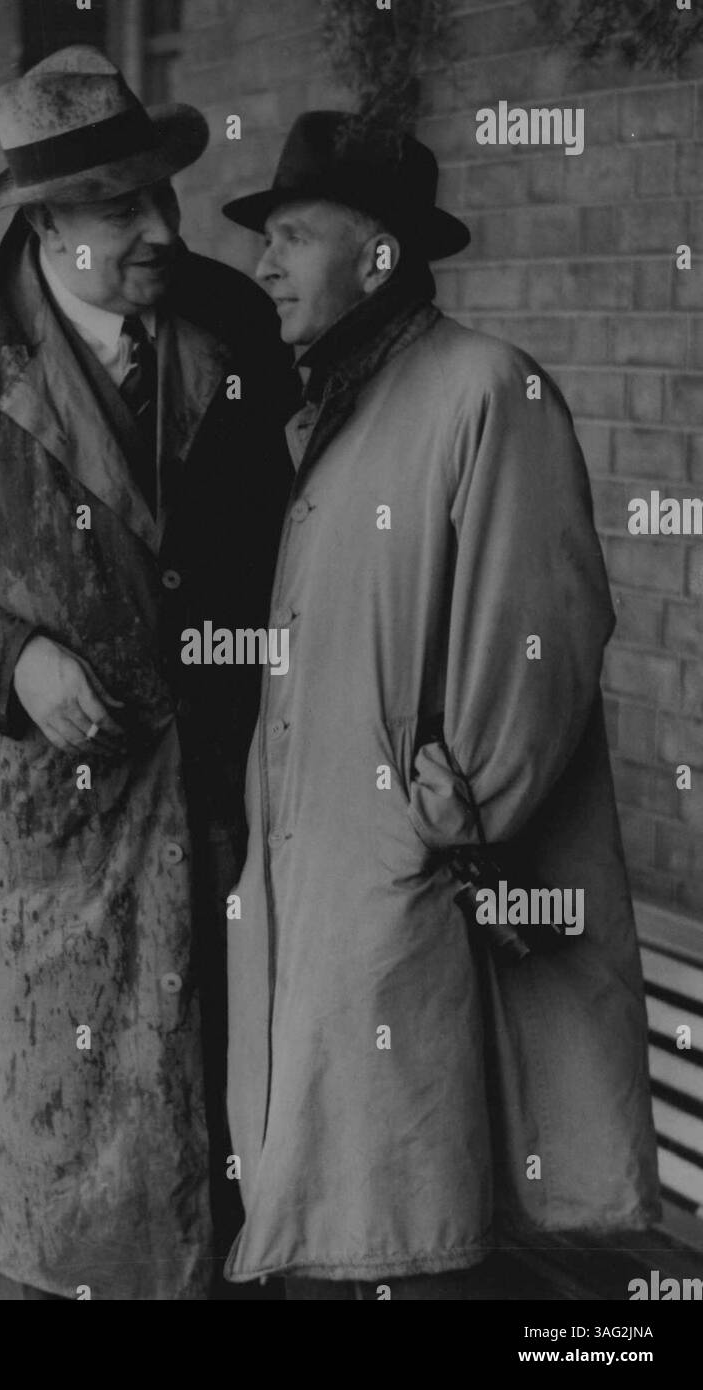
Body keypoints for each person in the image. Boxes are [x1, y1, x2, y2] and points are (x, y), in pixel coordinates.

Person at [0, 46, 292, 1300]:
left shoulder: (234, 325)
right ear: (46, 223)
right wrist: (13, 658)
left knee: (215, 1196)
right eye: (117, 207)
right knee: (40, 1223)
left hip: (211, 838)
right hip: (28, 876)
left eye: (163, 195)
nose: (157, 227)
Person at [219, 111, 661, 1300]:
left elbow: (541, 638)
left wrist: (450, 818)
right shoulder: (334, 407)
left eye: (293, 236)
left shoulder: (485, 387)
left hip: (419, 892)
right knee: (367, 1218)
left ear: (377, 256)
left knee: (420, 1230)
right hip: (344, 890)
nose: (265, 265)